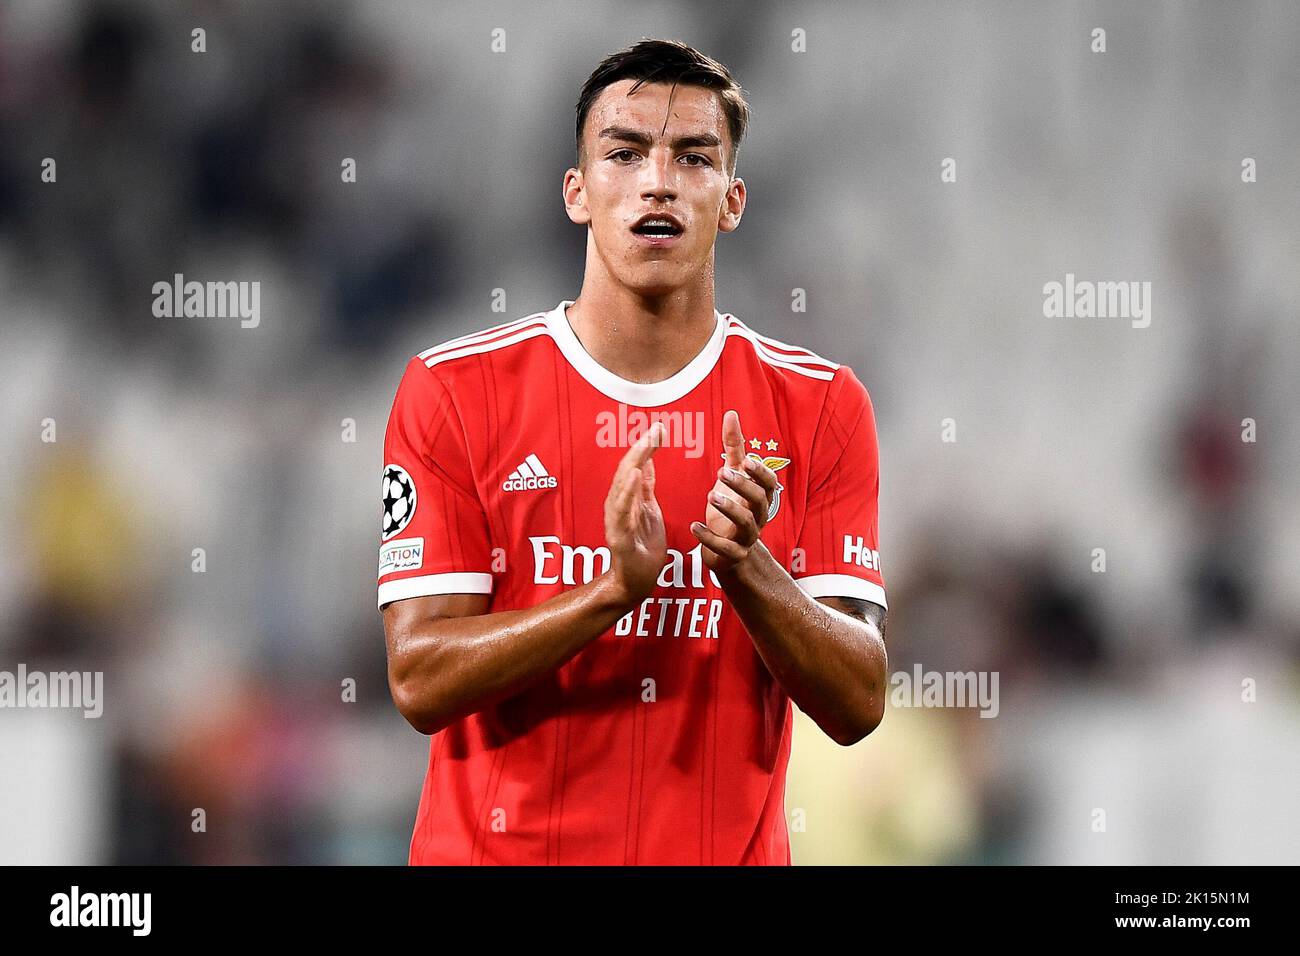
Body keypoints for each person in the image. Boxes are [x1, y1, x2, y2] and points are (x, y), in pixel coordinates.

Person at [378, 38, 888, 865]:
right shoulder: (455, 391)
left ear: (732, 200)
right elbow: (419, 679)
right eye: (624, 152)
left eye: (694, 158)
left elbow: (860, 699)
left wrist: (748, 568)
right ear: (577, 193)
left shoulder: (821, 404)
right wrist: (613, 590)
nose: (658, 181)